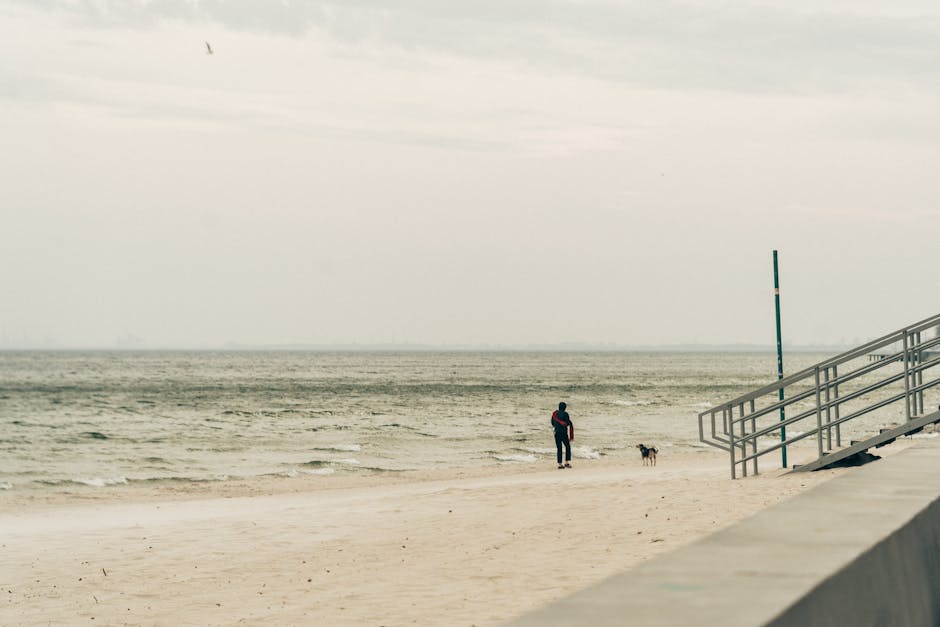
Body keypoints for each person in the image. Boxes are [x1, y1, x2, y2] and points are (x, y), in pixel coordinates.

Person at [551, 402, 574, 469]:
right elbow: (566, 423)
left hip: (557, 433)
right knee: (567, 446)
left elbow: (552, 423)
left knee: (559, 448)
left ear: (559, 407)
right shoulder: (565, 414)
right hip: (563, 433)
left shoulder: (554, 414)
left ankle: (560, 464)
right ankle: (566, 463)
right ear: (565, 408)